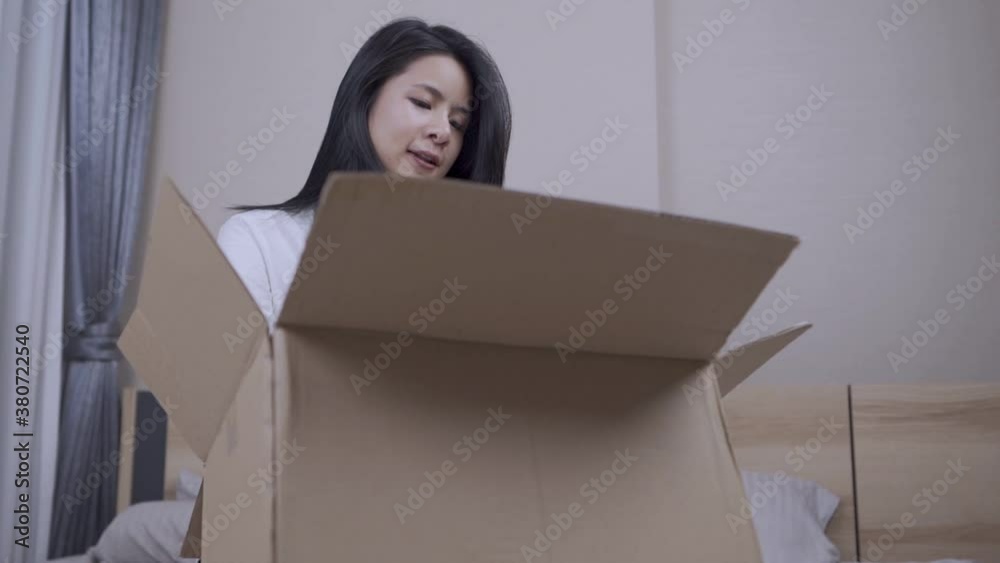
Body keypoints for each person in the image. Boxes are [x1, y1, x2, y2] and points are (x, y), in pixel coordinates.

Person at [217, 17, 512, 330]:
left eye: (457, 124)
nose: (442, 132)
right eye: (423, 103)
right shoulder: (259, 243)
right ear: (365, 98)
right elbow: (246, 374)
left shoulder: (456, 277)